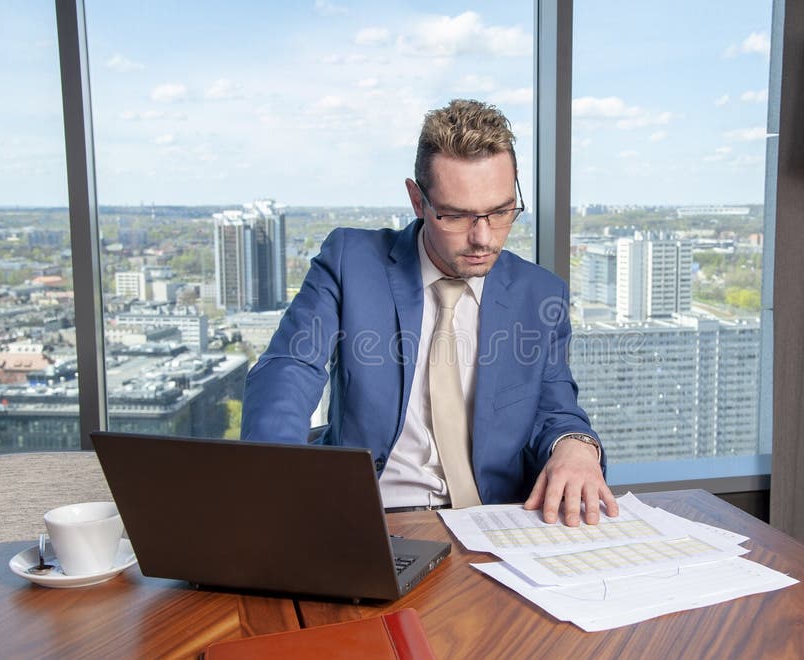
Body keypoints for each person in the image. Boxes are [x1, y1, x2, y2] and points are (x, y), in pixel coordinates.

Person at [241, 99, 618, 526]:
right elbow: (290, 367)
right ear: (417, 200)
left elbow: (555, 410)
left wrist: (575, 445)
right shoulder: (351, 261)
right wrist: (269, 480)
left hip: (497, 524)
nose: (483, 238)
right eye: (455, 216)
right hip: (376, 520)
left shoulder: (539, 294)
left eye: (500, 211)